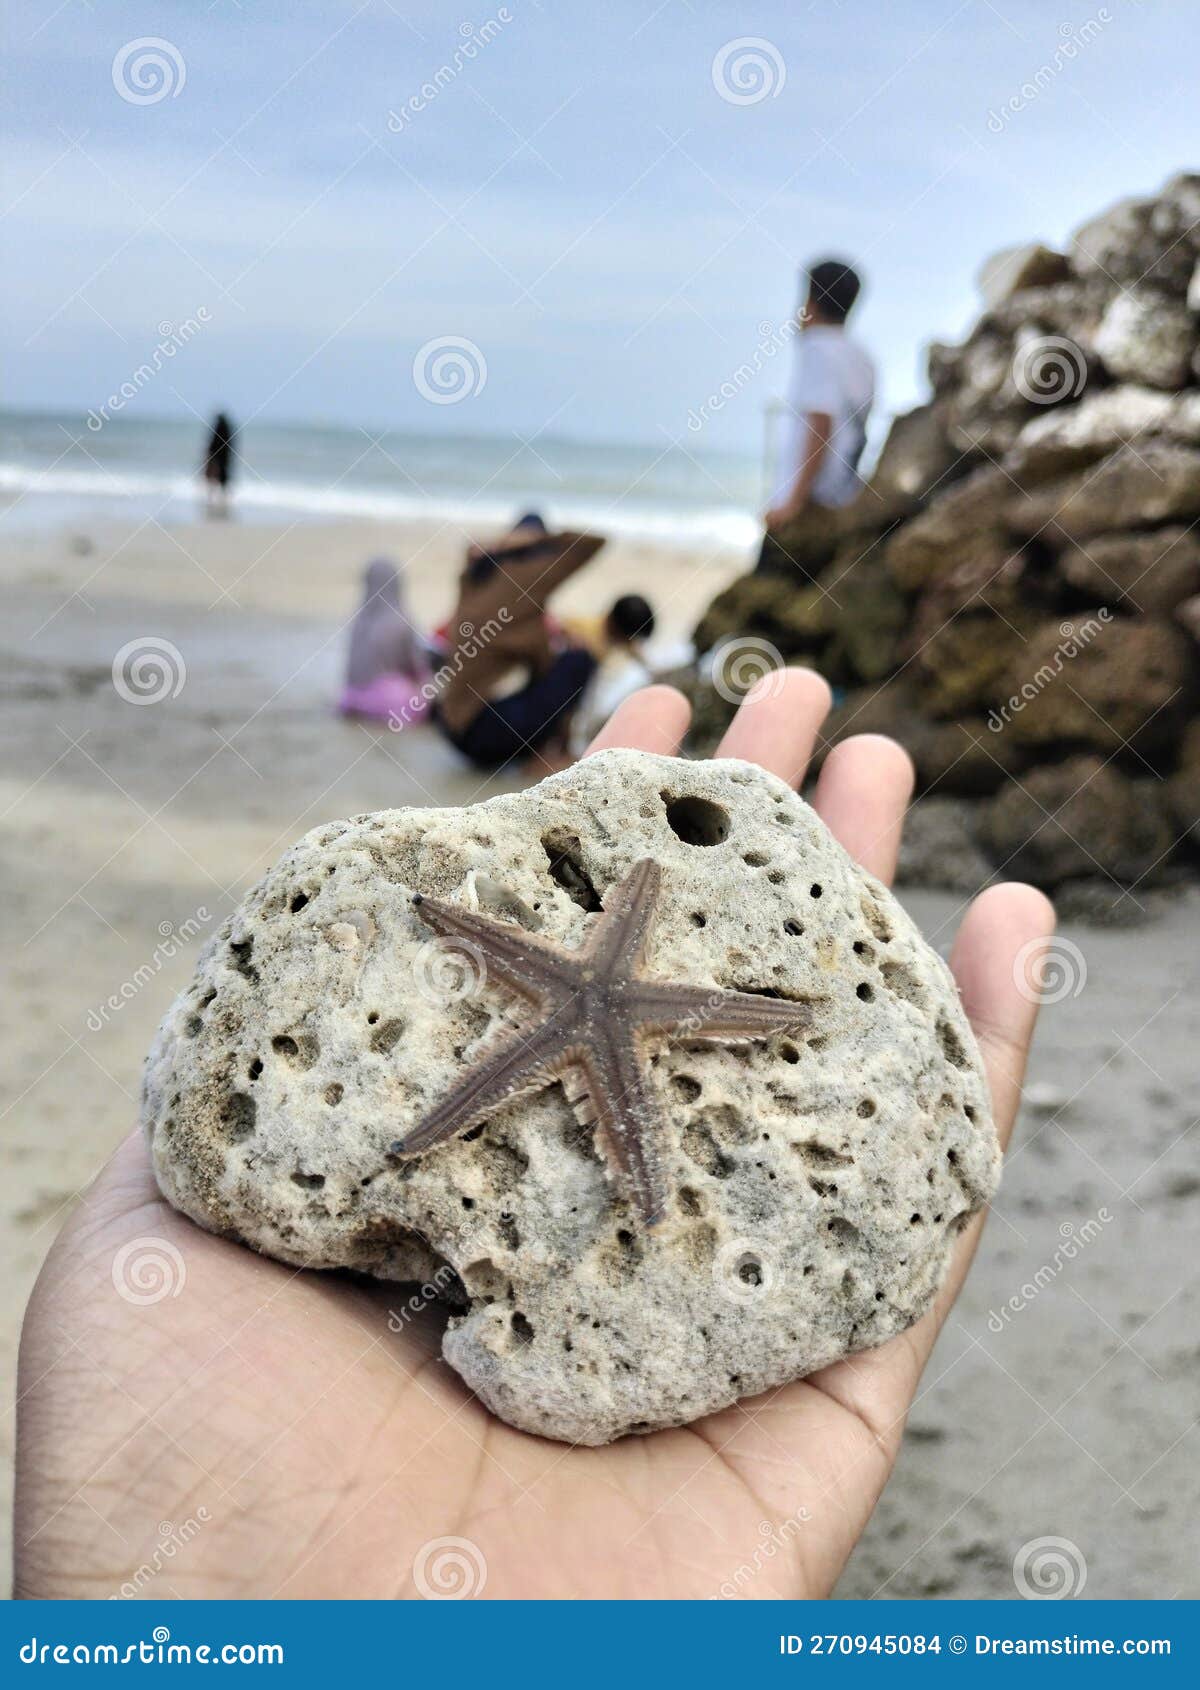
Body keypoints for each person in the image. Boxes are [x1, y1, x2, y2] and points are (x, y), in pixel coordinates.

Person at [13, 670, 1054, 1598]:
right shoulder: (580, 976)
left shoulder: (619, 973)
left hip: (606, 996)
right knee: (540, 1053)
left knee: (598, 1037)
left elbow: (655, 969)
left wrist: (767, 1008)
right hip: (582, 1000)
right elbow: (513, 966)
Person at [433, 512, 605, 770]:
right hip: (479, 733)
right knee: (580, 661)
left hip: (451, 726)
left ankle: (542, 753)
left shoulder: (476, 576)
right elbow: (593, 542)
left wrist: (507, 541)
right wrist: (536, 540)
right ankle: (550, 756)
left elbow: (537, 660)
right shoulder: (522, 578)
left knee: (555, 668)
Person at [757, 259, 876, 576]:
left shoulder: (817, 349)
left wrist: (792, 503)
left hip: (808, 501)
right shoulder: (862, 357)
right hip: (842, 497)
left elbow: (821, 423)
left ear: (810, 301)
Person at [338, 557, 431, 725]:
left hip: (349, 698)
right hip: (386, 702)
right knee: (425, 691)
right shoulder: (401, 621)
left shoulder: (359, 620)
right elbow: (416, 665)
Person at [569, 592, 656, 754]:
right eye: (632, 639)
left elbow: (634, 652)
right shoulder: (582, 642)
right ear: (622, 634)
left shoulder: (609, 633)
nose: (633, 644)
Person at [201, 411, 236, 518]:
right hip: (223, 459)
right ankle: (222, 500)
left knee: (215, 479)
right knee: (221, 480)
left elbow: (212, 445)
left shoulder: (218, 430)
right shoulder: (227, 430)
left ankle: (215, 499)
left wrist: (209, 456)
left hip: (218, 459)